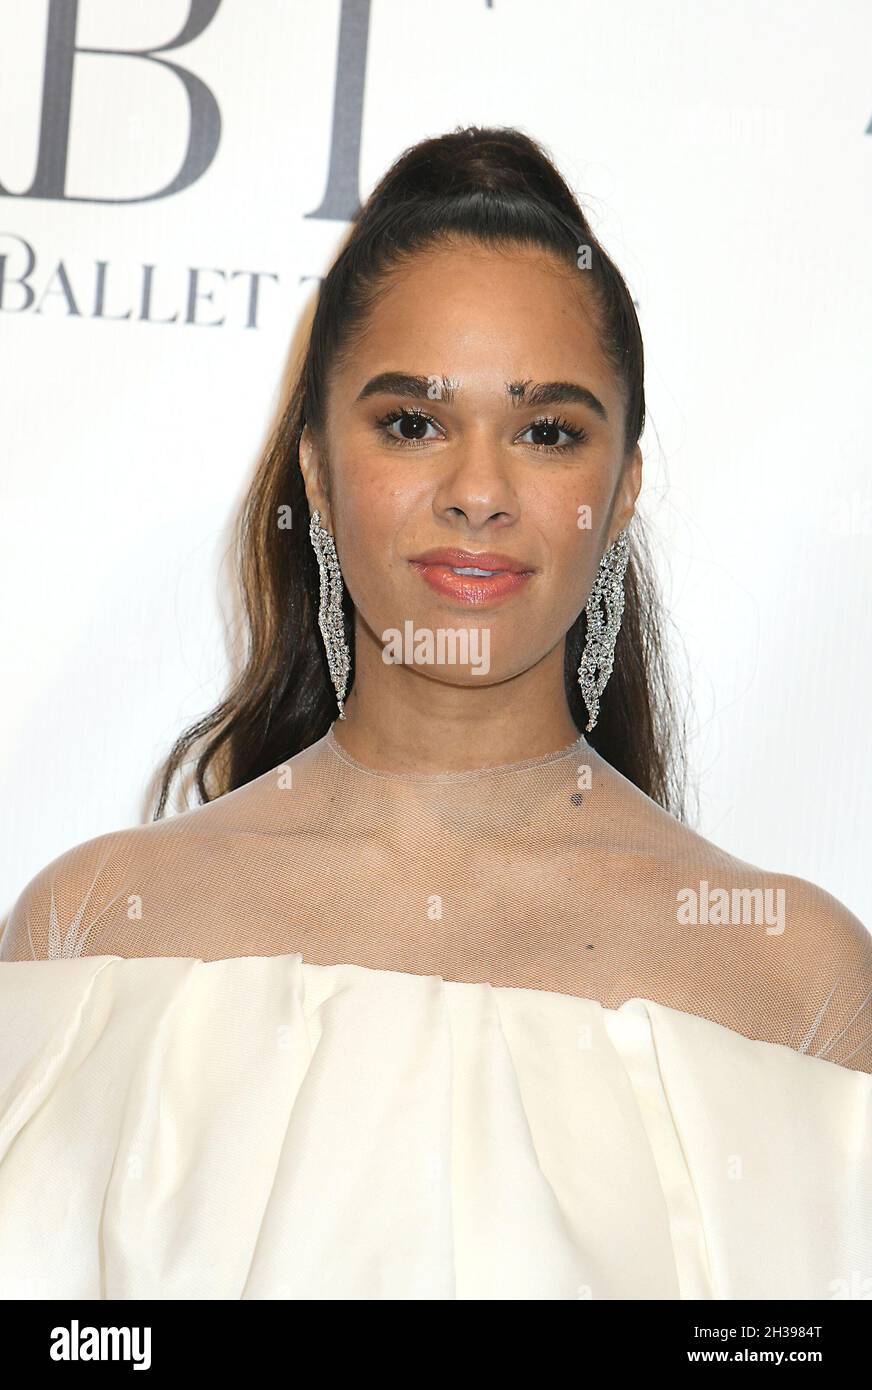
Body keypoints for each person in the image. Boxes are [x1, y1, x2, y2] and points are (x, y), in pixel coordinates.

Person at [1, 127, 870, 1301]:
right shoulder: (94, 932)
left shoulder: (793, 976)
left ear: (619, 492)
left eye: (547, 431)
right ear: (314, 465)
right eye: (411, 421)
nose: (476, 491)